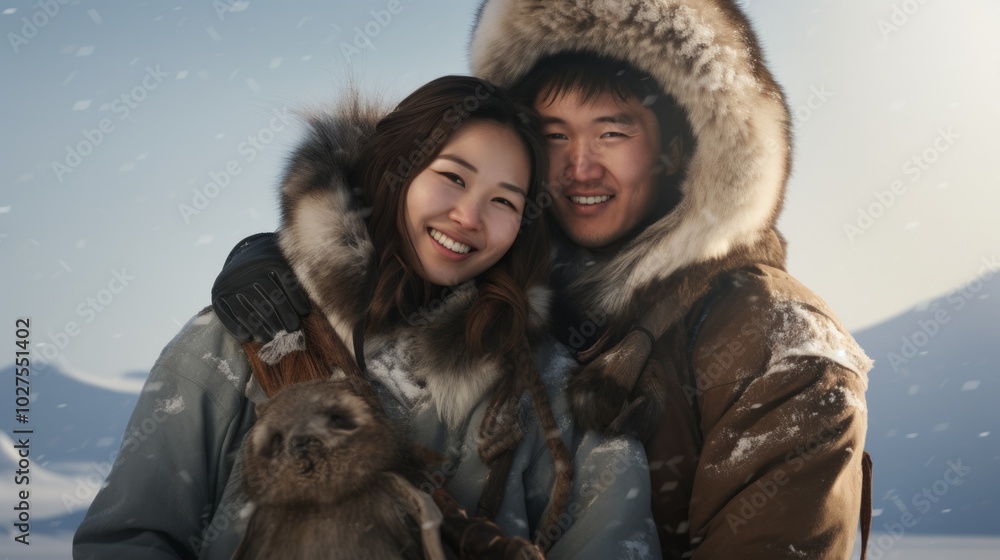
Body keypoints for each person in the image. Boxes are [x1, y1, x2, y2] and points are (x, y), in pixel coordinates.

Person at [208, 1, 875, 558]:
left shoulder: (778, 341)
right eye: (553, 135)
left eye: (612, 132)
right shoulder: (515, 288)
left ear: (680, 148)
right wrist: (308, 258)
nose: (578, 167)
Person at [73, 75, 659, 559]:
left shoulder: (555, 386)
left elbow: (616, 542)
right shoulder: (242, 332)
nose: (468, 215)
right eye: (452, 177)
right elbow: (131, 537)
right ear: (395, 172)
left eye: (504, 201)